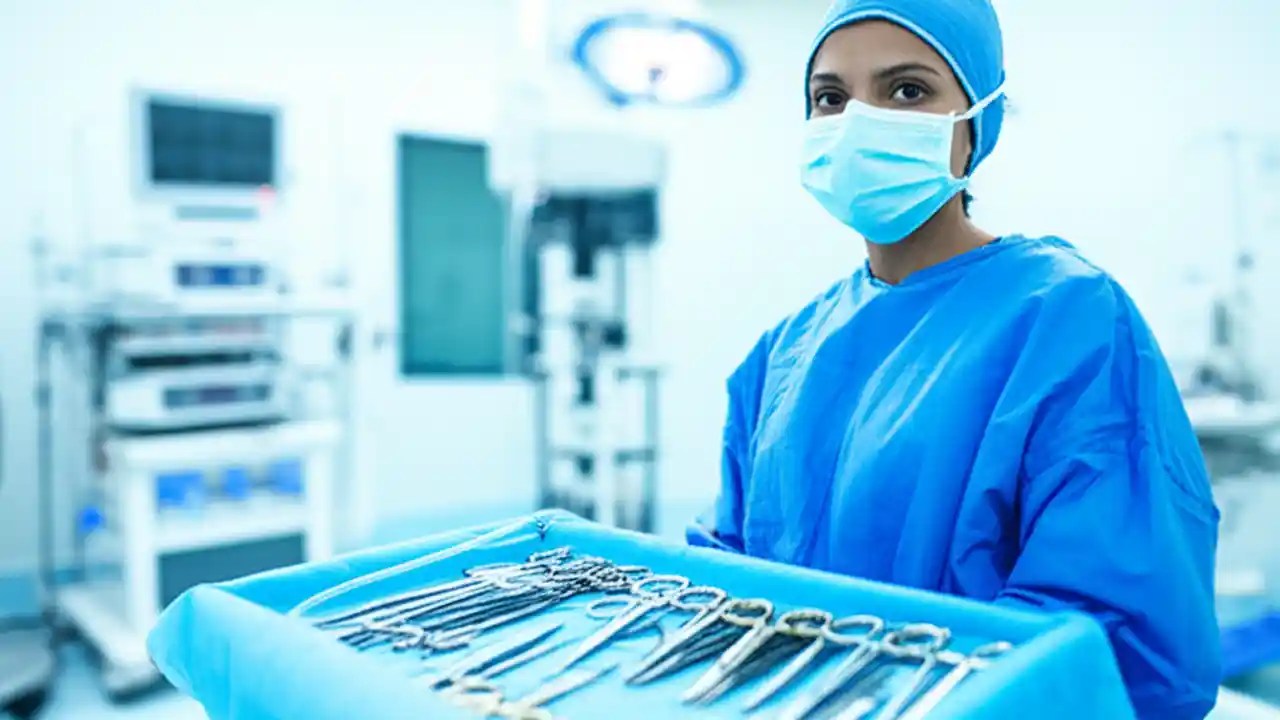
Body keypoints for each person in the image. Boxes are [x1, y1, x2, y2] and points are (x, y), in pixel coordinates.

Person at [686, 1, 1221, 717]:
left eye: (907, 90)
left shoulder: (1067, 319)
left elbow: (1109, 637)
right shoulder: (782, 354)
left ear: (976, 122)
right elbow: (721, 587)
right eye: (830, 97)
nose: (858, 122)